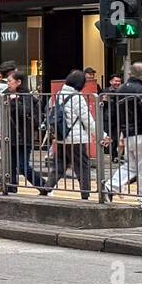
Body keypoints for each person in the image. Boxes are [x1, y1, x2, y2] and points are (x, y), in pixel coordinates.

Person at [107, 62, 142, 213]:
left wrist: (118, 136)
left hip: (128, 135)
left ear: (130, 74)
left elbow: (115, 115)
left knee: (130, 166)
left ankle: (109, 187)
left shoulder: (121, 90)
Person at [49, 68, 93, 199]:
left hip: (62, 136)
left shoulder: (59, 94)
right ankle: (85, 194)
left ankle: (46, 188)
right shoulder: (76, 98)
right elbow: (87, 120)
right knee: (83, 166)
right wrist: (102, 135)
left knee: (59, 165)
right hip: (76, 138)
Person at [3, 70, 47, 195]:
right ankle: (11, 188)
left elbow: (25, 112)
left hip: (24, 135)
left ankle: (43, 185)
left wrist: (14, 101)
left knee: (23, 166)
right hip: (10, 135)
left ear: (18, 82)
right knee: (10, 165)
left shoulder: (27, 96)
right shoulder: (5, 94)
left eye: (10, 81)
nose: (8, 84)